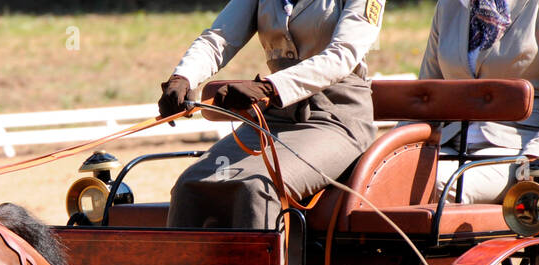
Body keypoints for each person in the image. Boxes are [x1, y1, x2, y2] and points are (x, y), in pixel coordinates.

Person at [158, 0, 384, 229]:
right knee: (191, 185)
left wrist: (270, 87)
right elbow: (219, 38)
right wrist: (184, 77)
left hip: (335, 119)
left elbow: (342, 54)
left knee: (256, 188)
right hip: (275, 116)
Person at [420, 0, 539, 203]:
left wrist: (536, 157)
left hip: (520, 152)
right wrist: (393, 152)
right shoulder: (449, 5)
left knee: (438, 183)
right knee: (385, 179)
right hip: (452, 144)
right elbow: (424, 98)